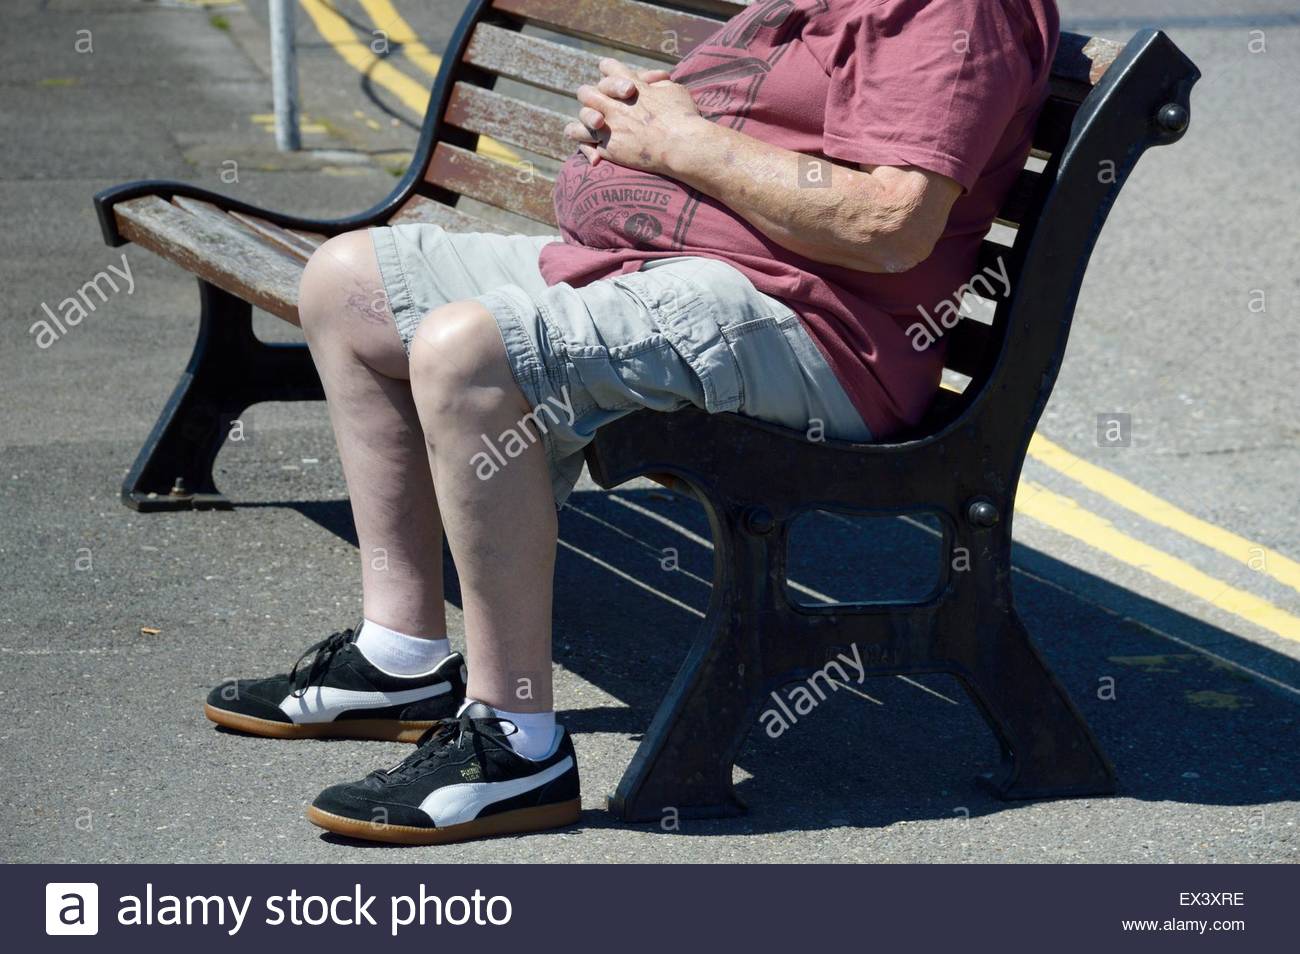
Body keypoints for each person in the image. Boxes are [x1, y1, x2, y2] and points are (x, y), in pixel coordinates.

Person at [204, 0, 1059, 845]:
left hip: (810, 328)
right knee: (350, 284)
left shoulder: (950, 8)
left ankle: (515, 742)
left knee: (471, 354)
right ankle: (400, 656)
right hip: (673, 271)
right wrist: (638, 125)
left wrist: (683, 145)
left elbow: (892, 223)